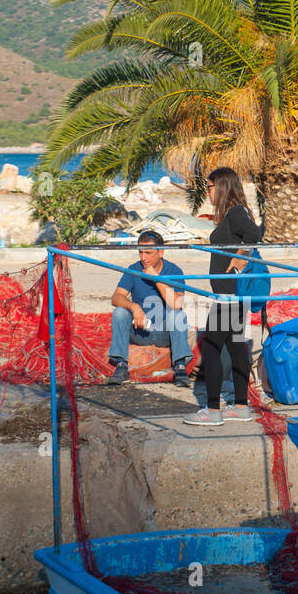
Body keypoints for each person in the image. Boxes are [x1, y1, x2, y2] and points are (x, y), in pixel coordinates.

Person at [184, 166, 262, 426]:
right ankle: (240, 406)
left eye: (209, 186)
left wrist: (240, 259)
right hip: (232, 298)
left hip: (229, 298)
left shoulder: (236, 213)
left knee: (211, 347)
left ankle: (213, 410)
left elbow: (254, 234)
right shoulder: (232, 213)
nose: (207, 192)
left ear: (223, 186)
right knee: (236, 347)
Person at [108, 229, 191, 385]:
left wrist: (156, 279)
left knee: (178, 315)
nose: (143, 258)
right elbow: (116, 297)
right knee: (120, 312)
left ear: (161, 252)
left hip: (164, 332)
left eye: (148, 253)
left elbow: (176, 304)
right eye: (140, 252)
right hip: (140, 329)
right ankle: (121, 365)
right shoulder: (134, 269)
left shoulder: (174, 271)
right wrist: (133, 307)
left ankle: (180, 366)